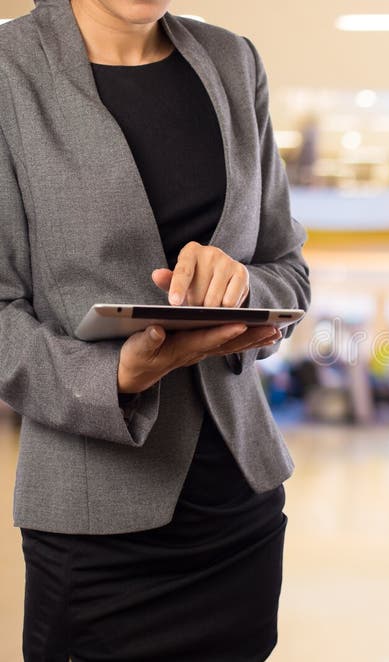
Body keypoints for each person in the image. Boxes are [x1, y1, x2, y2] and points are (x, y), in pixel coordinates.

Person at [0, 1, 310, 659]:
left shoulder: (233, 60)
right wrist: (113, 376)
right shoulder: (9, 71)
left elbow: (289, 268)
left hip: (237, 502)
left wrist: (245, 287)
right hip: (97, 521)